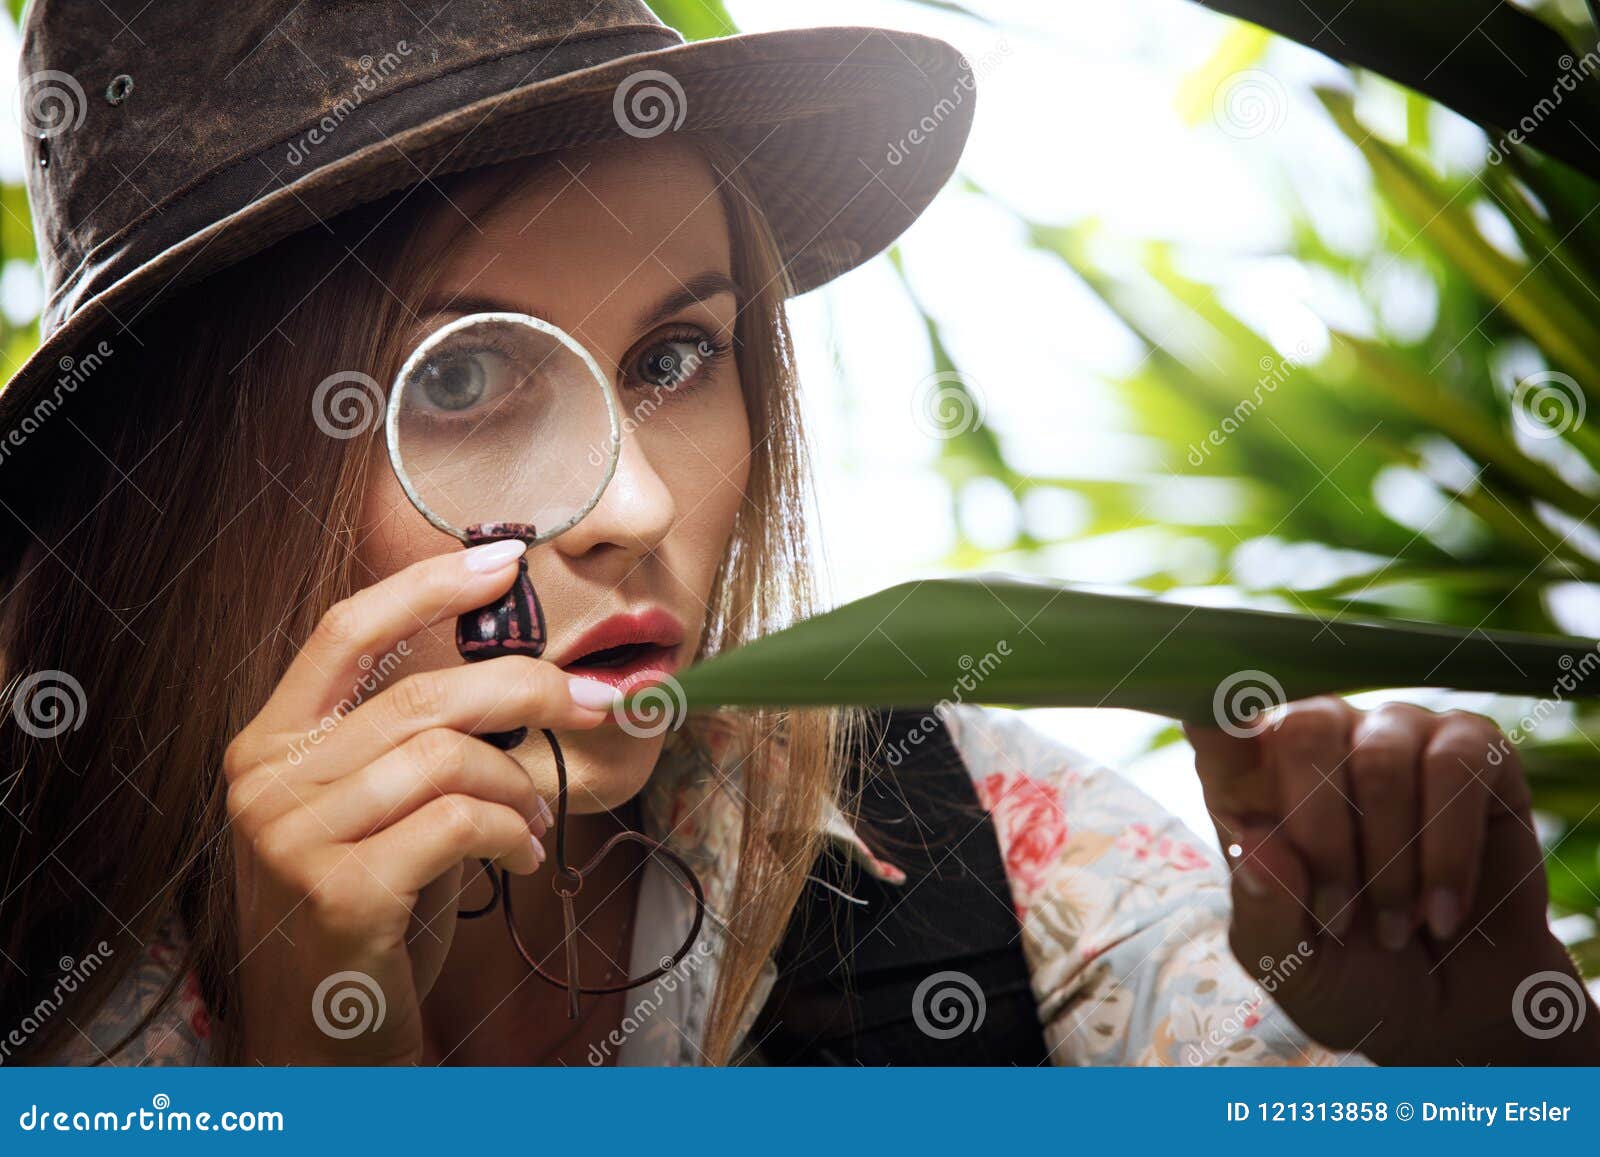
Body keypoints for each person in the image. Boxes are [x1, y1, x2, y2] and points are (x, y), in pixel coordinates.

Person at [0, 0, 1593, 1067]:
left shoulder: (970, 840)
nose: (636, 508)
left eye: (676, 355)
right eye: (468, 381)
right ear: (189, 489)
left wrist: (1489, 1060)